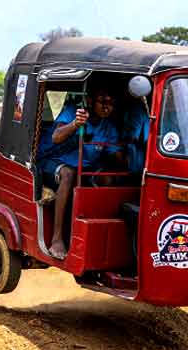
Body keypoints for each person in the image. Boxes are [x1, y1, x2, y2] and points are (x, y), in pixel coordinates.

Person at [39, 87, 120, 260]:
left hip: (86, 168)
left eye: (111, 104)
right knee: (69, 174)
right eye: (103, 102)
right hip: (54, 161)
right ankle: (57, 239)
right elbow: (56, 137)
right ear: (90, 101)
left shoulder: (109, 127)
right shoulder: (73, 112)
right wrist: (76, 124)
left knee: (108, 178)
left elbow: (116, 154)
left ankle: (96, 238)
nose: (107, 107)